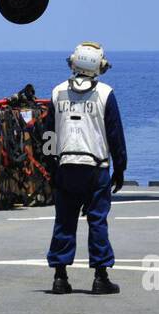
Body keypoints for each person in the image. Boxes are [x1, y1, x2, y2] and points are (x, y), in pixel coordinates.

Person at [42, 42, 126, 296]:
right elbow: (115, 136)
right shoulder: (105, 93)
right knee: (97, 221)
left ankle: (60, 276)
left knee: (64, 222)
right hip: (96, 168)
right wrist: (120, 169)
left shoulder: (58, 93)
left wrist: (50, 168)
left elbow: (48, 134)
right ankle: (100, 276)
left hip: (66, 167)